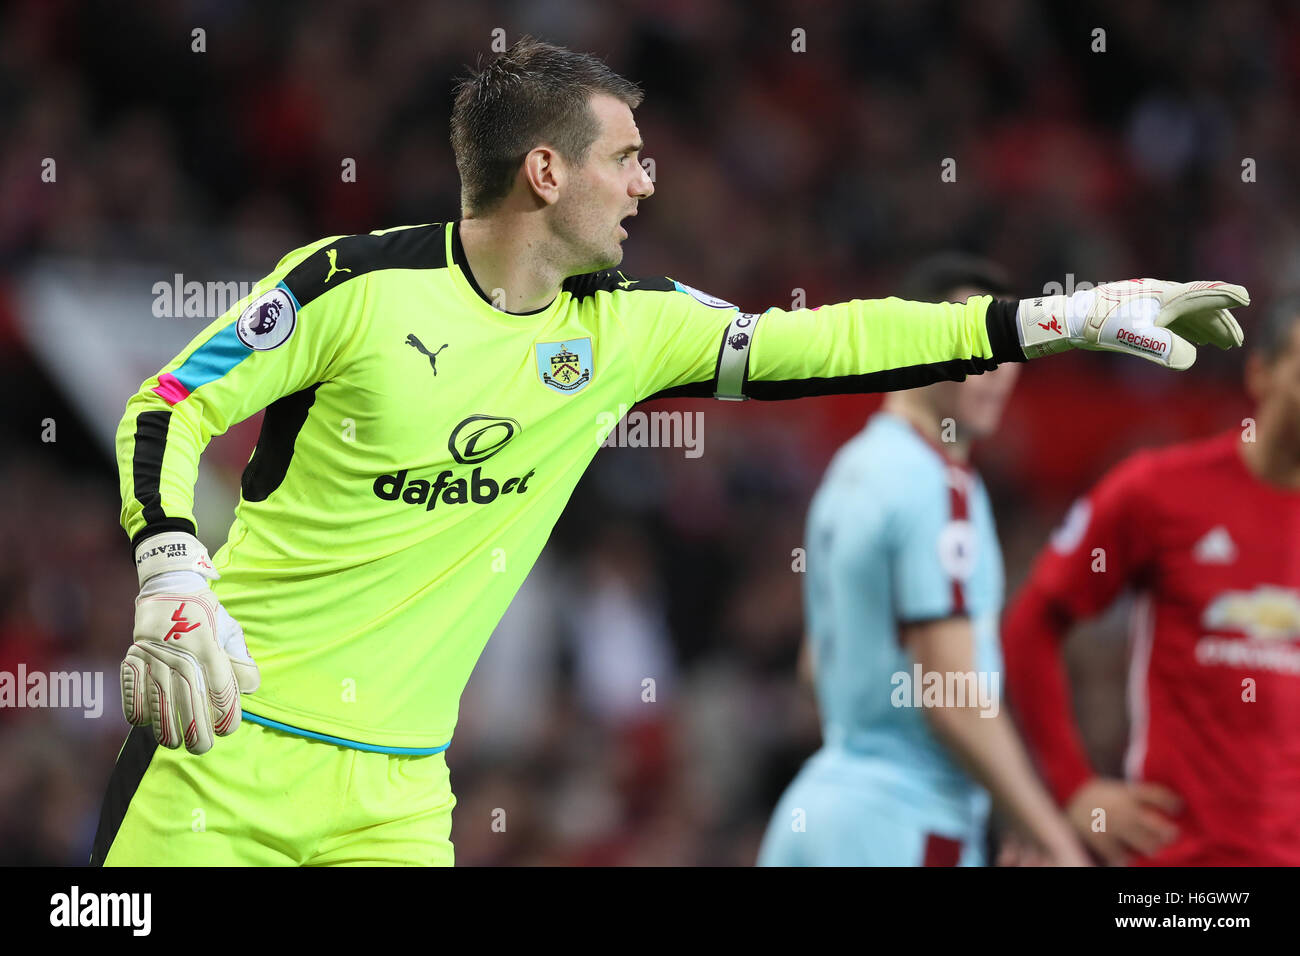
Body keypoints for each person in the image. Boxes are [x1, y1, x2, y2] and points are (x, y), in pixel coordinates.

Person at [91, 37, 1249, 866]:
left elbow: (833, 341)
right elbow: (163, 406)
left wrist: (1063, 315)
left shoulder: (630, 327)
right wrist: (173, 569)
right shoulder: (349, 282)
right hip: (216, 752)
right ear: (545, 171)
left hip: (393, 801)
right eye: (627, 157)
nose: (649, 180)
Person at [757, 254, 1087, 866]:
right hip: (904, 823)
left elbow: (816, 665)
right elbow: (951, 693)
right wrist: (1052, 838)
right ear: (916, 341)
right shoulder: (939, 483)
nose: (998, 372)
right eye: (976, 342)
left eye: (1008, 349)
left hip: (819, 816)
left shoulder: (852, 468)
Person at [1002, 293, 1300, 866]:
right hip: (1176, 866)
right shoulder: (1158, 493)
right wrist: (1076, 789)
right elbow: (1032, 624)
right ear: (1260, 374)